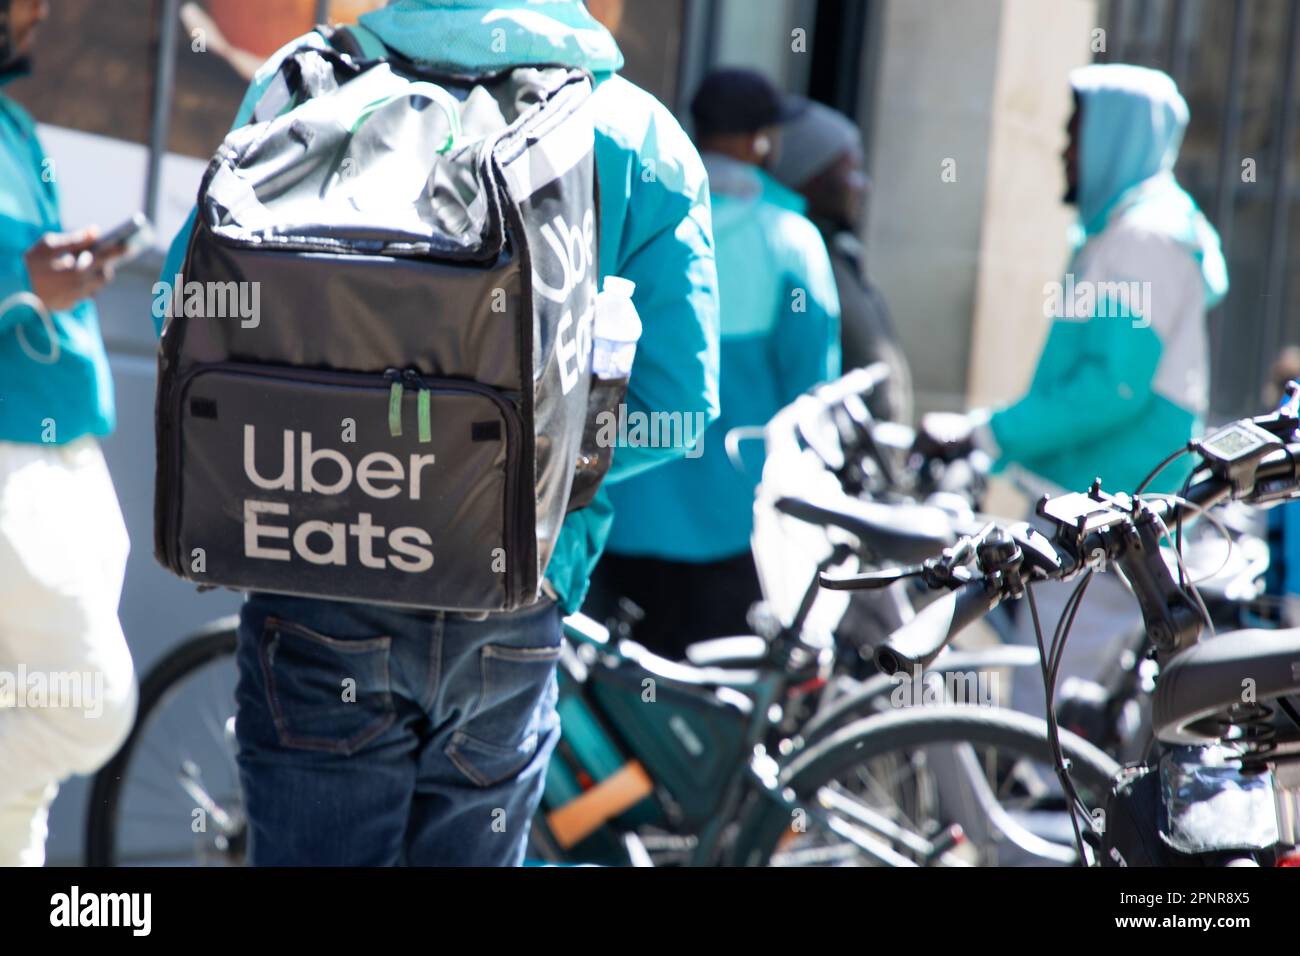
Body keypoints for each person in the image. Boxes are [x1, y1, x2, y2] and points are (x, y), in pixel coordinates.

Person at [157, 0, 720, 866]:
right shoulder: (638, 134)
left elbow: (177, 310)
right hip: (510, 596)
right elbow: (676, 408)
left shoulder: (307, 87)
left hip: (316, 565)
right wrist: (512, 478)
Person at [926, 64, 1228, 721]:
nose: (1063, 148)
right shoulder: (1128, 229)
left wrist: (987, 431)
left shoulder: (1144, 238)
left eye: (1074, 129)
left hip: (1109, 518)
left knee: (1052, 722)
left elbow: (1109, 388)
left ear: (1117, 134)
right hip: (1104, 511)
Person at [593, 69, 841, 662]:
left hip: (616, 515)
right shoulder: (792, 240)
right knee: (716, 722)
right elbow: (813, 398)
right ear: (764, 142)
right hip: (737, 528)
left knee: (622, 719)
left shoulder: (632, 216)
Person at [0, 0, 136, 866]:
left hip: (63, 444)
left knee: (30, 754)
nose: (40, 10)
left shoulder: (15, 125)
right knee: (89, 702)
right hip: (14, 458)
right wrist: (22, 276)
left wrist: (61, 269)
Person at [770, 96, 912, 425]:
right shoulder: (800, 260)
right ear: (812, 177)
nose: (863, 185)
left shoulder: (842, 256)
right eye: (851, 170)